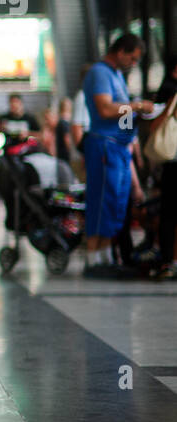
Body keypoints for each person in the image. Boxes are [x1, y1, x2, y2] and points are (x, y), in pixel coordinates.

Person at [81, 33, 154, 277]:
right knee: (101, 200)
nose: (133, 64)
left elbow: (121, 113)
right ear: (121, 51)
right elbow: (105, 108)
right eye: (131, 58)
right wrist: (137, 106)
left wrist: (137, 117)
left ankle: (105, 256)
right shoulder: (100, 73)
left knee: (114, 202)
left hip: (118, 147)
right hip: (104, 146)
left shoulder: (117, 76)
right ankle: (93, 259)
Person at [148, 54, 177, 280]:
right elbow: (156, 124)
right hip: (173, 160)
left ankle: (167, 260)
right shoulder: (170, 90)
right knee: (168, 213)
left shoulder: (165, 89)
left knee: (168, 213)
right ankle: (168, 260)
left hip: (169, 162)